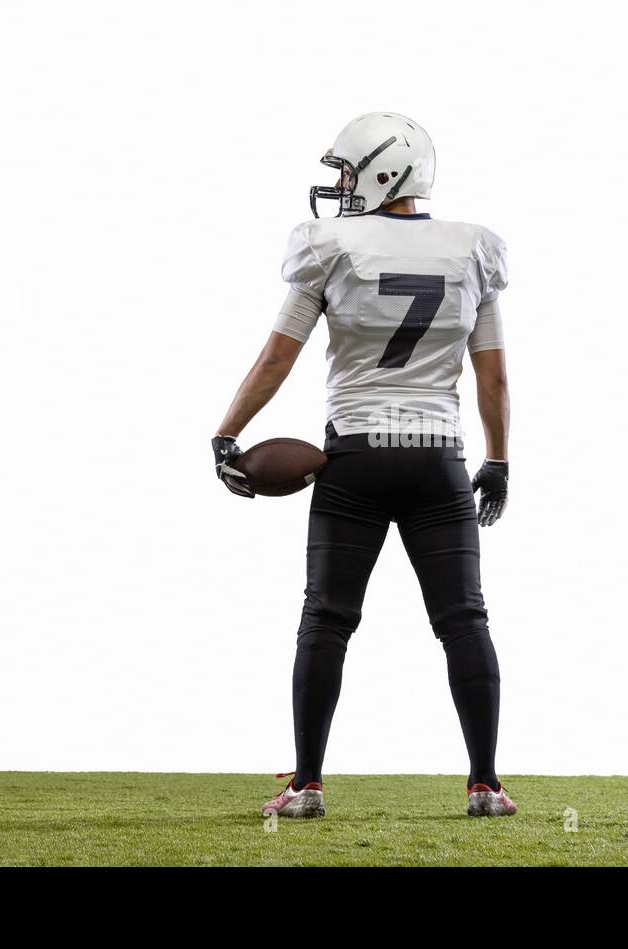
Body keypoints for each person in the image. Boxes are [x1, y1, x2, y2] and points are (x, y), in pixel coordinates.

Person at [212, 112, 516, 818]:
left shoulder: (331, 247)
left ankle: (307, 785)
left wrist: (228, 432)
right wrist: (499, 458)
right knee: (464, 618)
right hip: (436, 457)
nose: (342, 188)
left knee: (325, 619)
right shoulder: (473, 250)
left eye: (349, 173)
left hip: (355, 458)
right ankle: (485, 785)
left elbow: (275, 358)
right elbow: (492, 379)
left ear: (386, 172)